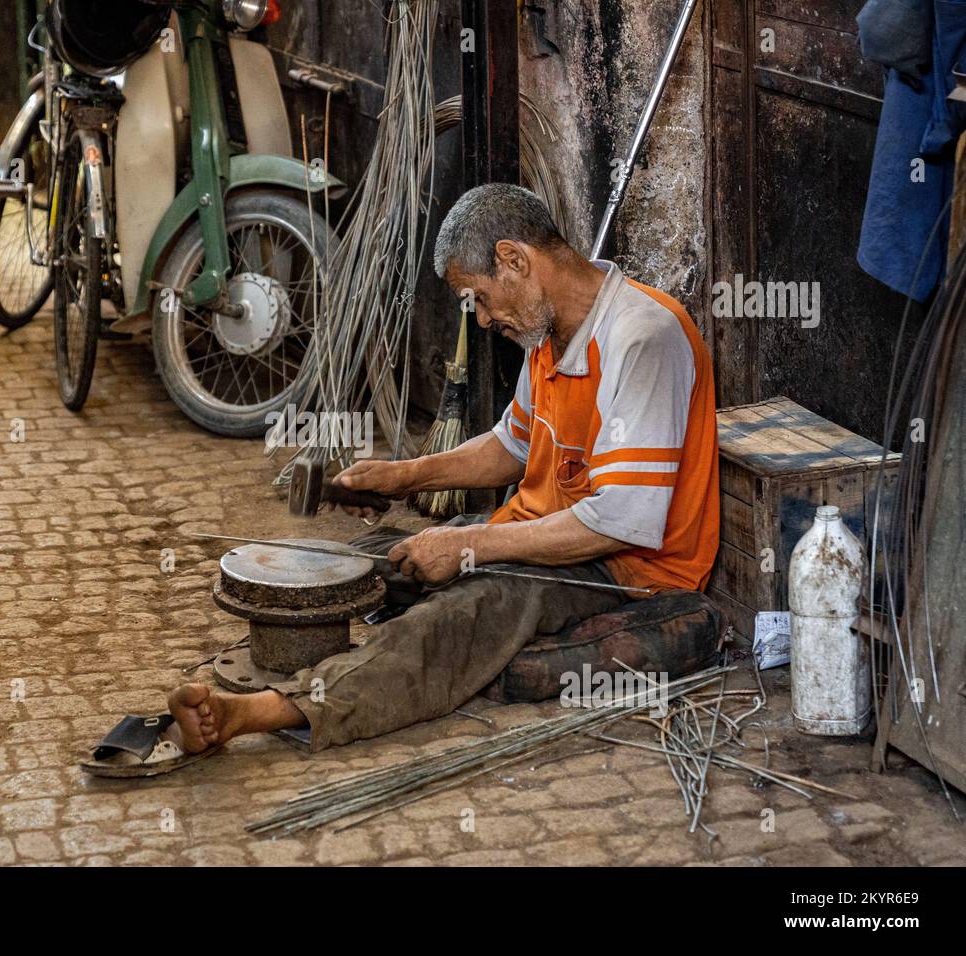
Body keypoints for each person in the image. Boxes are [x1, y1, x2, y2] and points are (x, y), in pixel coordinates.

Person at [169, 183, 720, 753]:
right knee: (375, 557)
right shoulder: (547, 337)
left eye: (479, 297)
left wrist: (473, 548)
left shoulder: (643, 339)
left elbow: (618, 522)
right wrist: (405, 476)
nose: (481, 320)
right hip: (539, 535)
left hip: (622, 572)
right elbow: (513, 444)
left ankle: (258, 713)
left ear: (514, 260)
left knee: (466, 611)